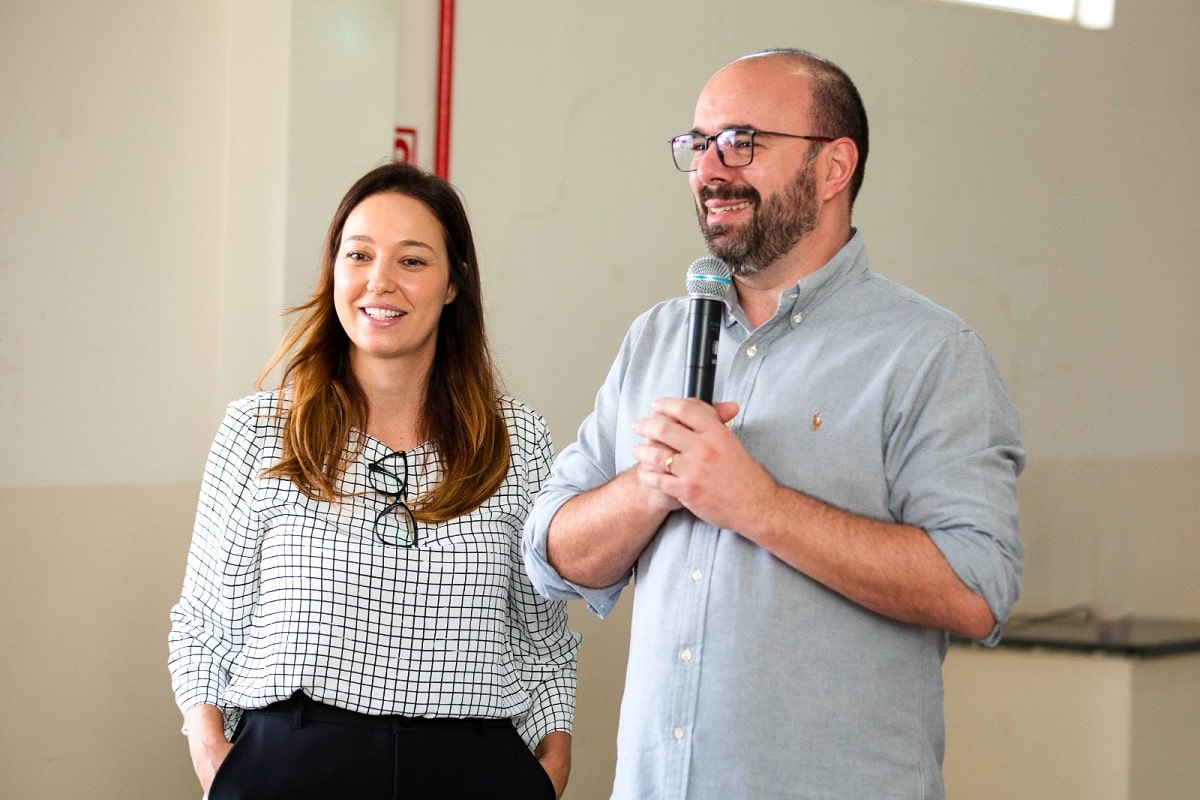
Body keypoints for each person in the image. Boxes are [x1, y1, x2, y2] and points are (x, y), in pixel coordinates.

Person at [522, 48, 1023, 799]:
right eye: (697, 145)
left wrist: (757, 506)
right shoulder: (658, 337)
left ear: (833, 167)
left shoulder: (929, 354)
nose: (711, 170)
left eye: (742, 142)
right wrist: (651, 487)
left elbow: (977, 587)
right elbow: (550, 554)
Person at [169, 161, 579, 800]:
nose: (379, 282)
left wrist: (551, 759)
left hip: (474, 764)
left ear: (453, 284)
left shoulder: (516, 438)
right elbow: (204, 620)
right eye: (358, 255)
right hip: (293, 763)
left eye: (412, 261)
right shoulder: (256, 430)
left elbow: (539, 629)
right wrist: (212, 752)